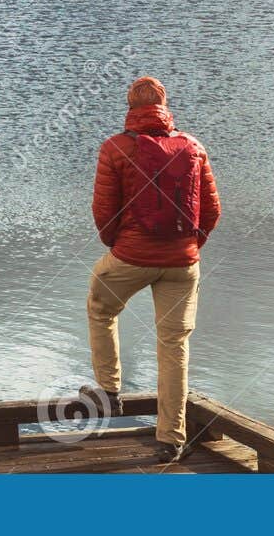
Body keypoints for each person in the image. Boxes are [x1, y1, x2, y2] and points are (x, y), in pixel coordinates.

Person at [82, 76, 221, 463]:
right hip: (183, 263)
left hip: (132, 257)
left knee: (101, 308)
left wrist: (120, 246)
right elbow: (211, 211)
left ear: (130, 109)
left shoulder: (115, 148)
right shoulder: (193, 147)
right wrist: (191, 245)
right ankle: (171, 439)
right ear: (166, 108)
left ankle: (109, 392)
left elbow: (104, 212)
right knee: (174, 346)